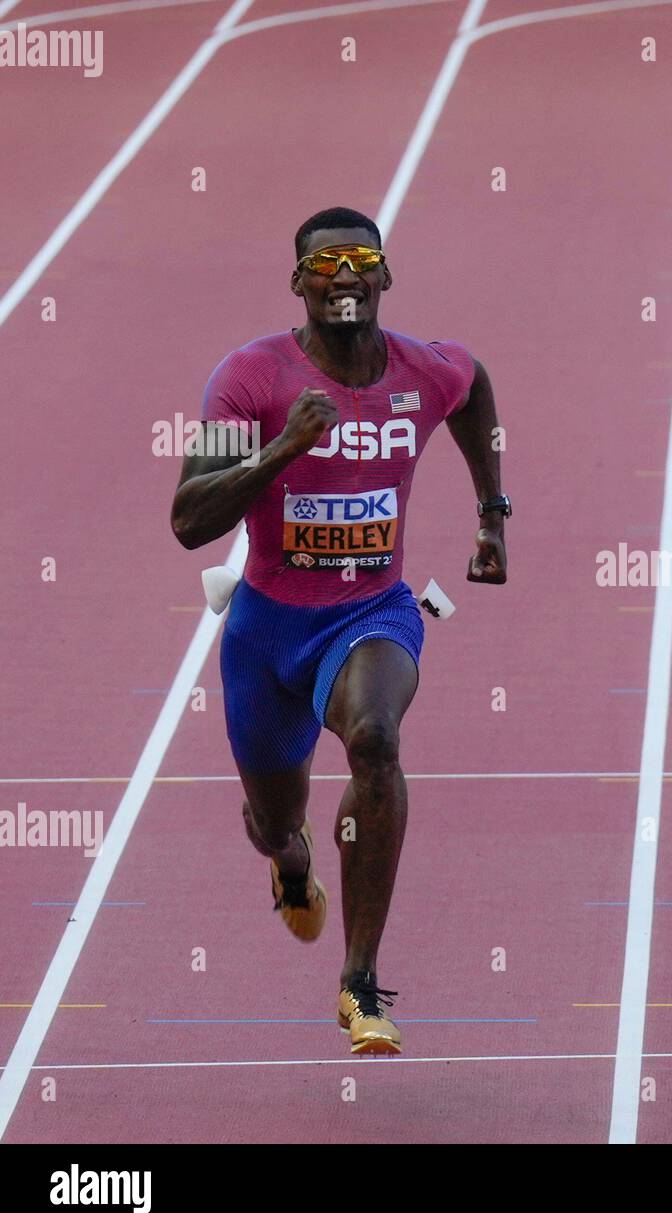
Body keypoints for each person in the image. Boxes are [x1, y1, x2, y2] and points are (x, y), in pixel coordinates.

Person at [171, 206, 511, 1052]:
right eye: (324, 265)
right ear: (299, 284)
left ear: (386, 276)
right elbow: (186, 518)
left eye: (362, 260)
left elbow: (475, 390)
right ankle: (291, 865)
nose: (345, 275)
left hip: (373, 611)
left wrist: (492, 514)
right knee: (274, 822)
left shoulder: (426, 370)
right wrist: (282, 449)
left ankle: (360, 984)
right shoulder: (246, 379)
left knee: (376, 738)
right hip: (266, 632)